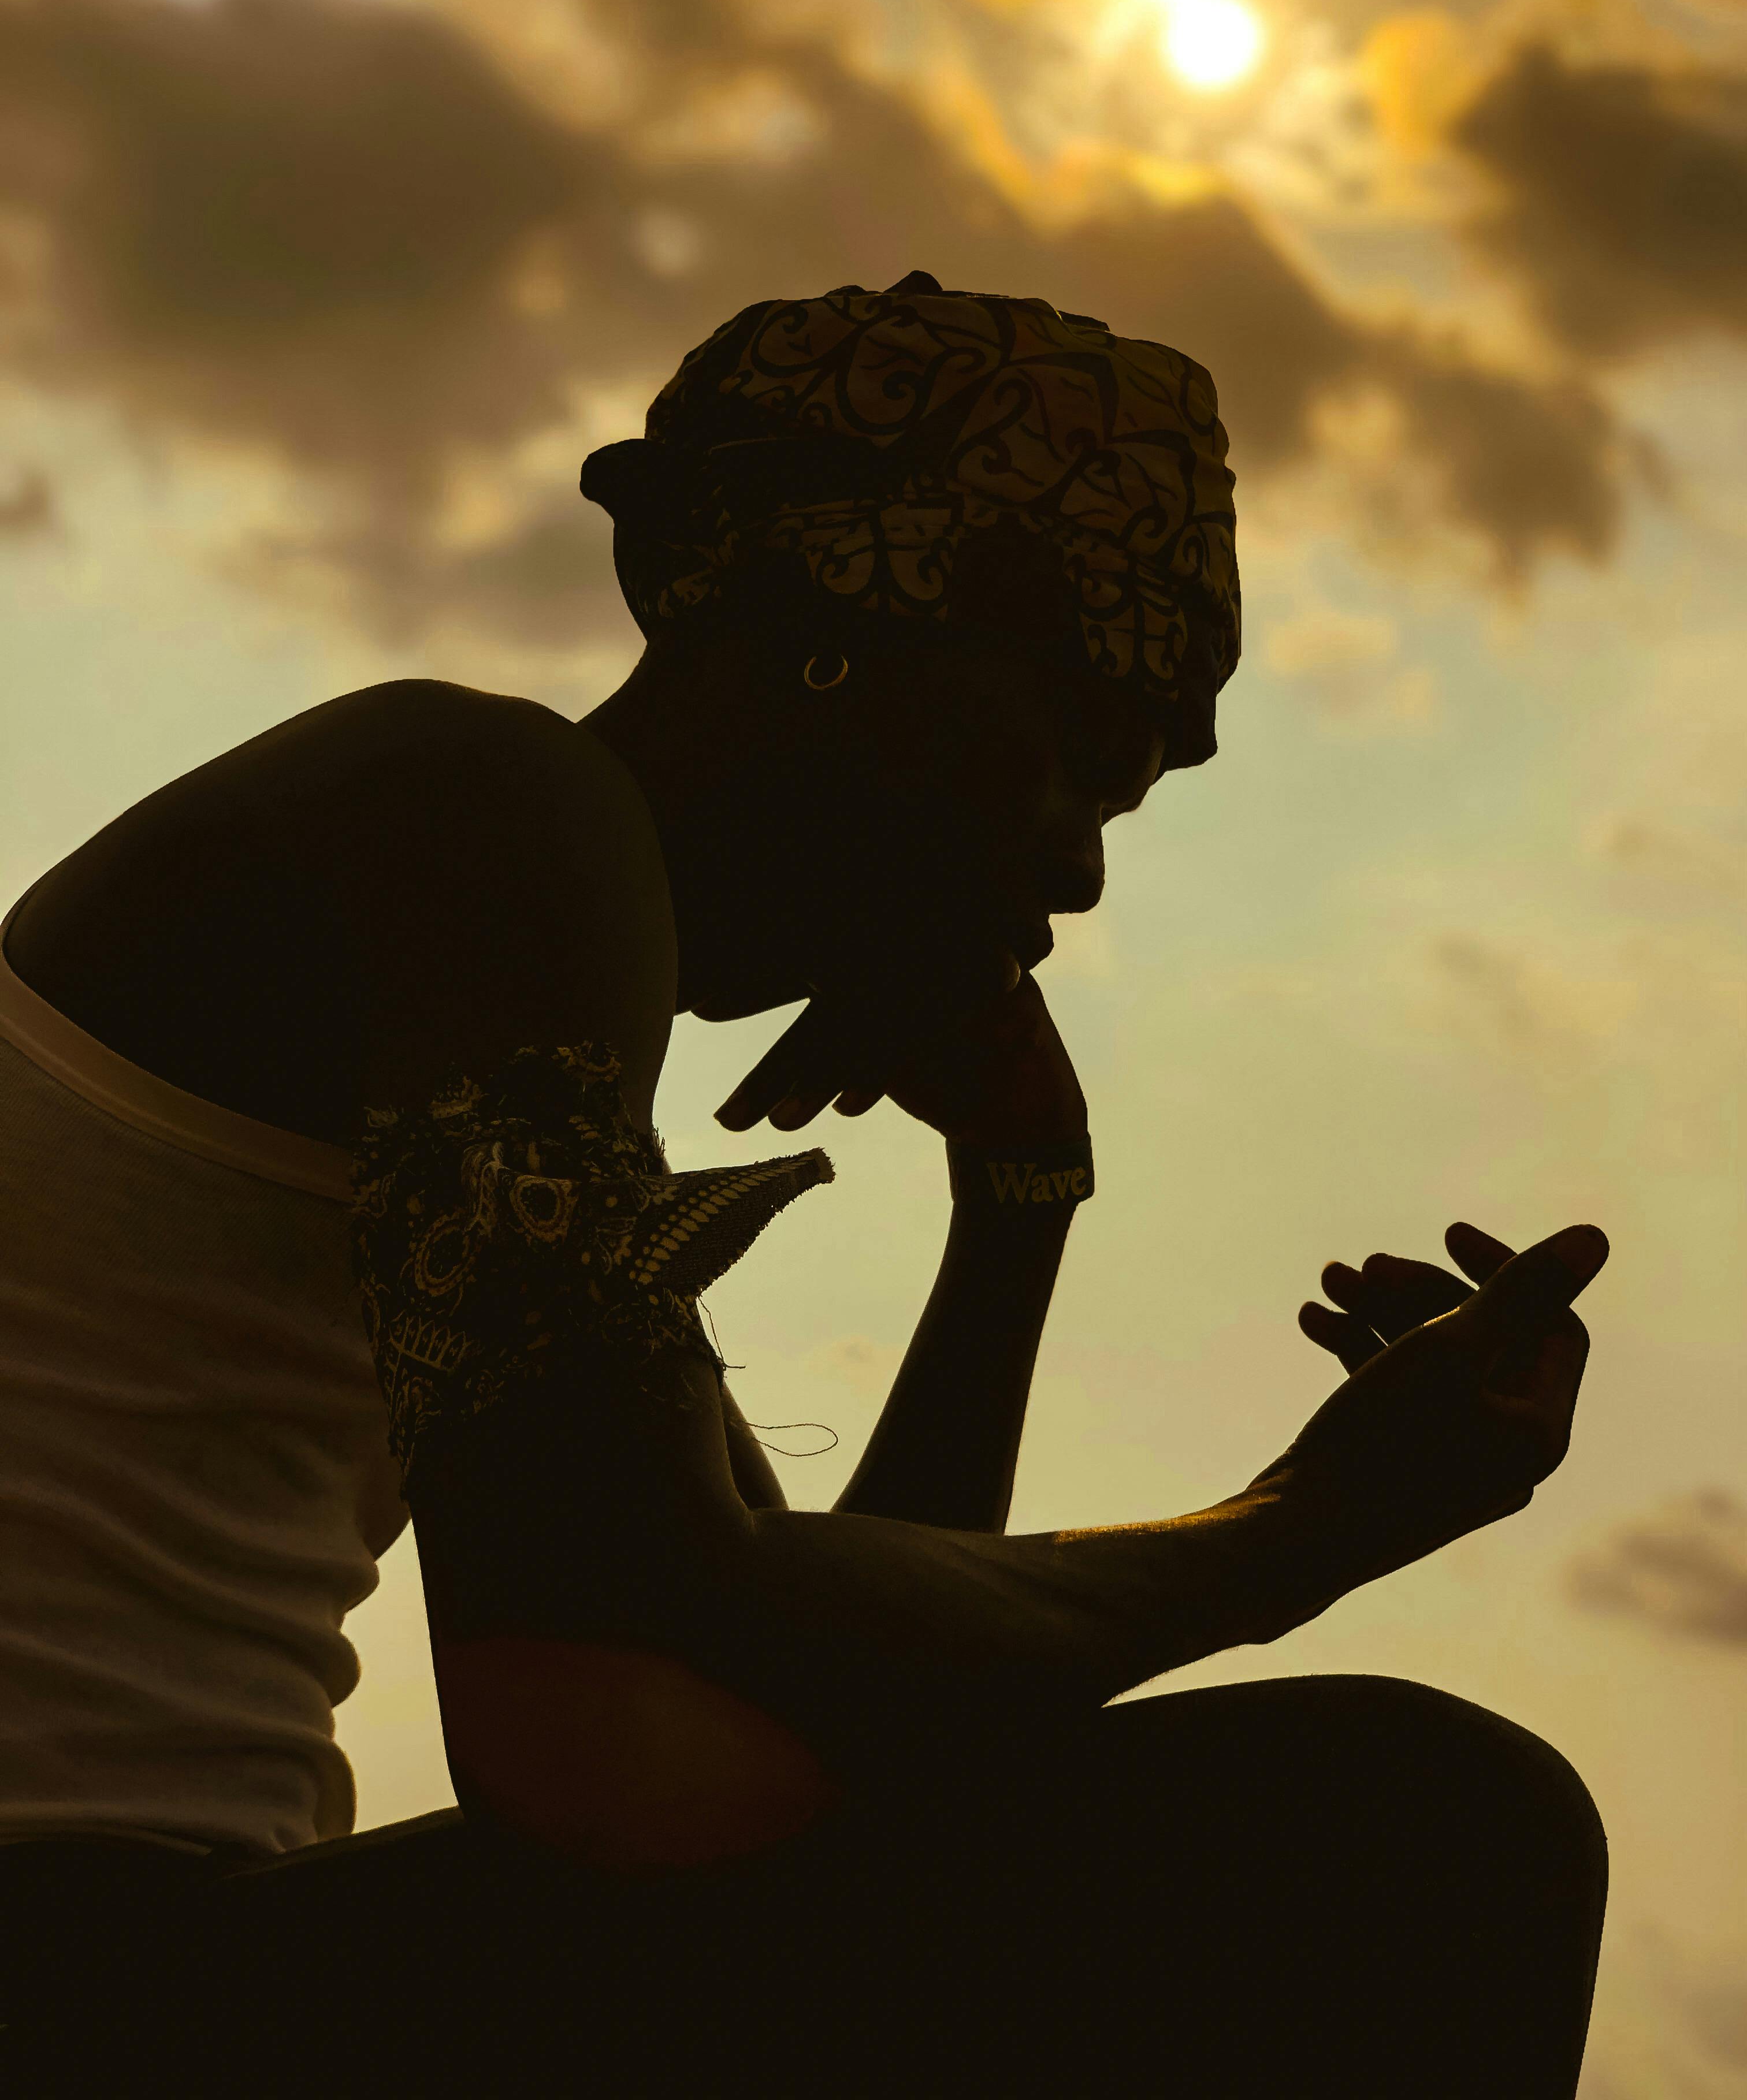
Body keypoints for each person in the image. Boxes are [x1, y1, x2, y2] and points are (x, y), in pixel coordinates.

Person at [0, 274, 1607, 2097]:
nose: (1077, 877)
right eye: (1084, 760)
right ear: (863, 631)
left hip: (146, 1964)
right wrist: (1305, 1528)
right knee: (1422, 1829)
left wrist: (1016, 1203)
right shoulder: (493, 815)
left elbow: (808, 1718)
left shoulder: (505, 997)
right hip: (75, 1975)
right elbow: (612, 1693)